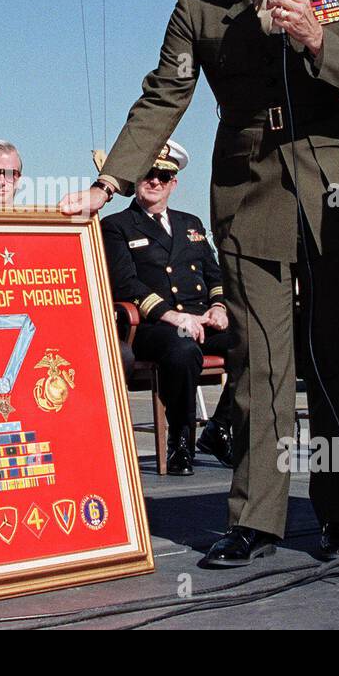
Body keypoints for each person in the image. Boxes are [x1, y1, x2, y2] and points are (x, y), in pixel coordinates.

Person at [61, 0, 339, 563]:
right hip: (252, 196)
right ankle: (257, 519)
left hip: (338, 190)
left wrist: (316, 38)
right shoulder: (201, 3)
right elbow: (165, 95)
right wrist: (111, 183)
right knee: (258, 365)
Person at [100, 140, 237, 475]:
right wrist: (175, 316)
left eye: (164, 175)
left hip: (201, 319)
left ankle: (219, 428)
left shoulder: (190, 223)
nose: (155, 181)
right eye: (149, 173)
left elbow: (214, 273)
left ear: (174, 183)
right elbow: (125, 285)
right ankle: (181, 443)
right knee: (182, 349)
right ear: (136, 178)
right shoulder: (116, 226)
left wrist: (218, 306)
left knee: (255, 345)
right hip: (154, 325)